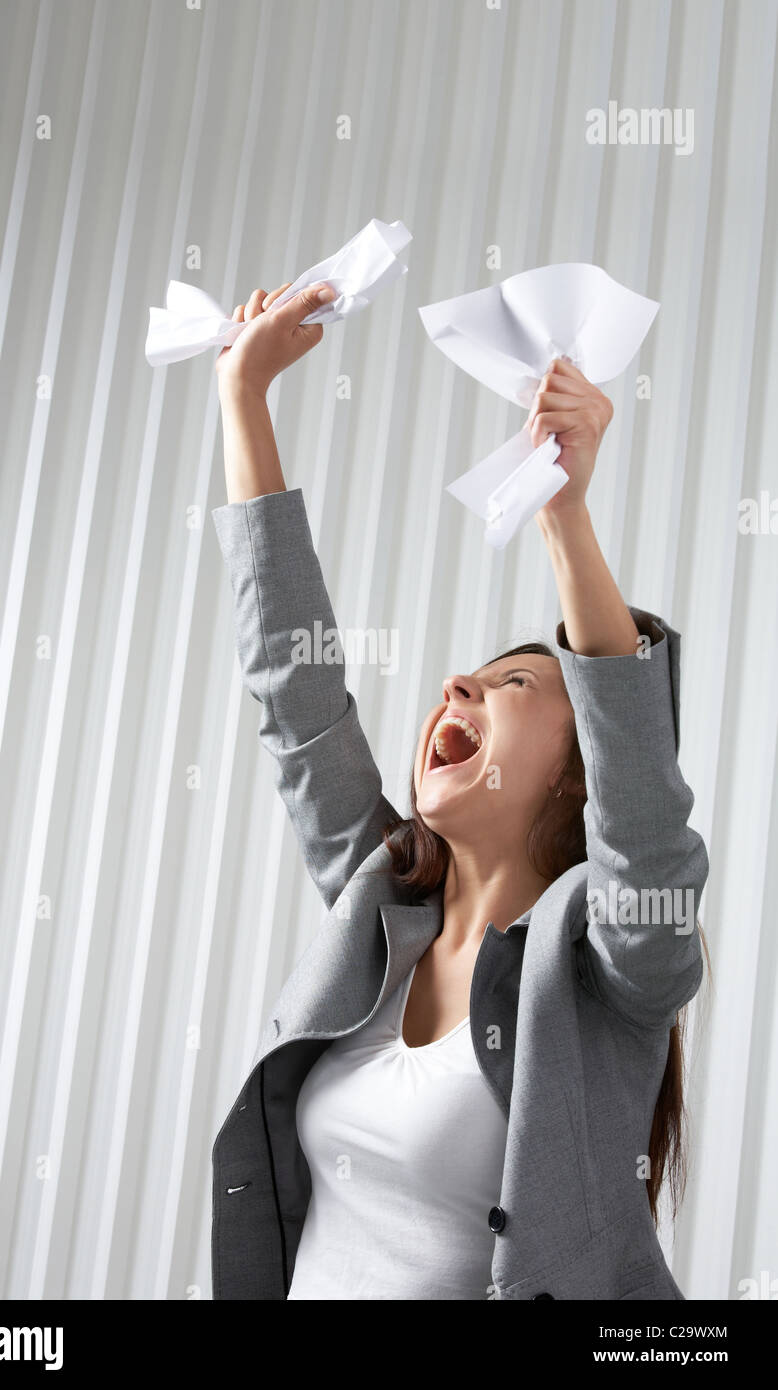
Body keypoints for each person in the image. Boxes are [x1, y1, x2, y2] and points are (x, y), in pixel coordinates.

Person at [209, 278, 710, 1300]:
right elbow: (295, 698)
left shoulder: (618, 968)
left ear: (583, 772)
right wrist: (243, 400)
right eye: (468, 676)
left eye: (510, 684)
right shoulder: (378, 899)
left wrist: (563, 513)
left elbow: (644, 815)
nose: (458, 684)